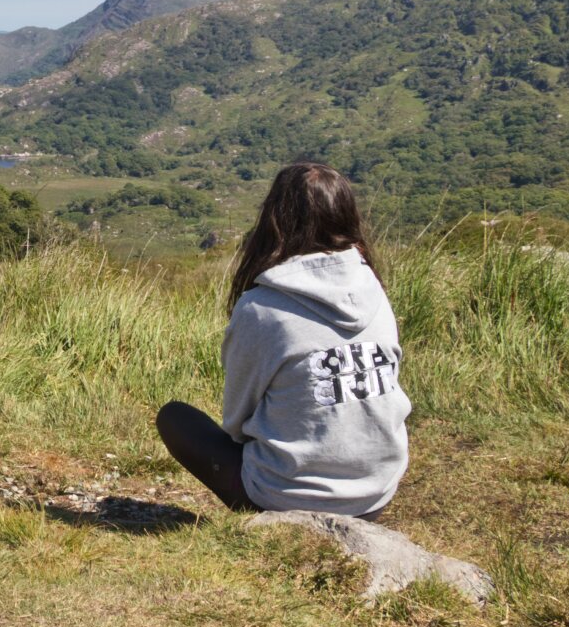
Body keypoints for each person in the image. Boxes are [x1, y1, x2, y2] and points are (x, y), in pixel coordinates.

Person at [155, 161, 410, 519]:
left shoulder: (262, 307)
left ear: (275, 219)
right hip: (376, 493)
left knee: (175, 418)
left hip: (288, 498)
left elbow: (236, 425)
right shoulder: (374, 288)